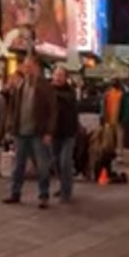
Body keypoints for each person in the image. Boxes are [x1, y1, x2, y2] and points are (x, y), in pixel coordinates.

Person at [3, 56, 57, 209]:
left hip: (38, 132)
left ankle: (43, 195)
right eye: (25, 66)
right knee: (18, 165)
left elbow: (53, 111)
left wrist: (49, 132)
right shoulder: (21, 85)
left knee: (42, 165)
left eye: (28, 66)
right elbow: (14, 108)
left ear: (36, 67)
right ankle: (15, 193)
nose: (26, 69)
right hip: (21, 131)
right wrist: (11, 126)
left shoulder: (45, 86)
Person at [51, 68, 80, 202]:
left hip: (68, 133)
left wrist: (50, 91)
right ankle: (62, 185)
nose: (58, 78)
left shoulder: (70, 92)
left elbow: (67, 99)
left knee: (65, 162)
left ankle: (66, 192)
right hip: (54, 132)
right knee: (56, 162)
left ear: (65, 77)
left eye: (61, 75)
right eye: (56, 75)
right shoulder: (49, 90)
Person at [100, 79, 129, 153]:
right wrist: (125, 118)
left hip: (108, 118)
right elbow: (126, 108)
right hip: (118, 119)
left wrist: (102, 116)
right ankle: (119, 154)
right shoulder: (122, 94)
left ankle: (107, 151)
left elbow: (102, 106)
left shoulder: (107, 94)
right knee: (119, 137)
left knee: (108, 137)